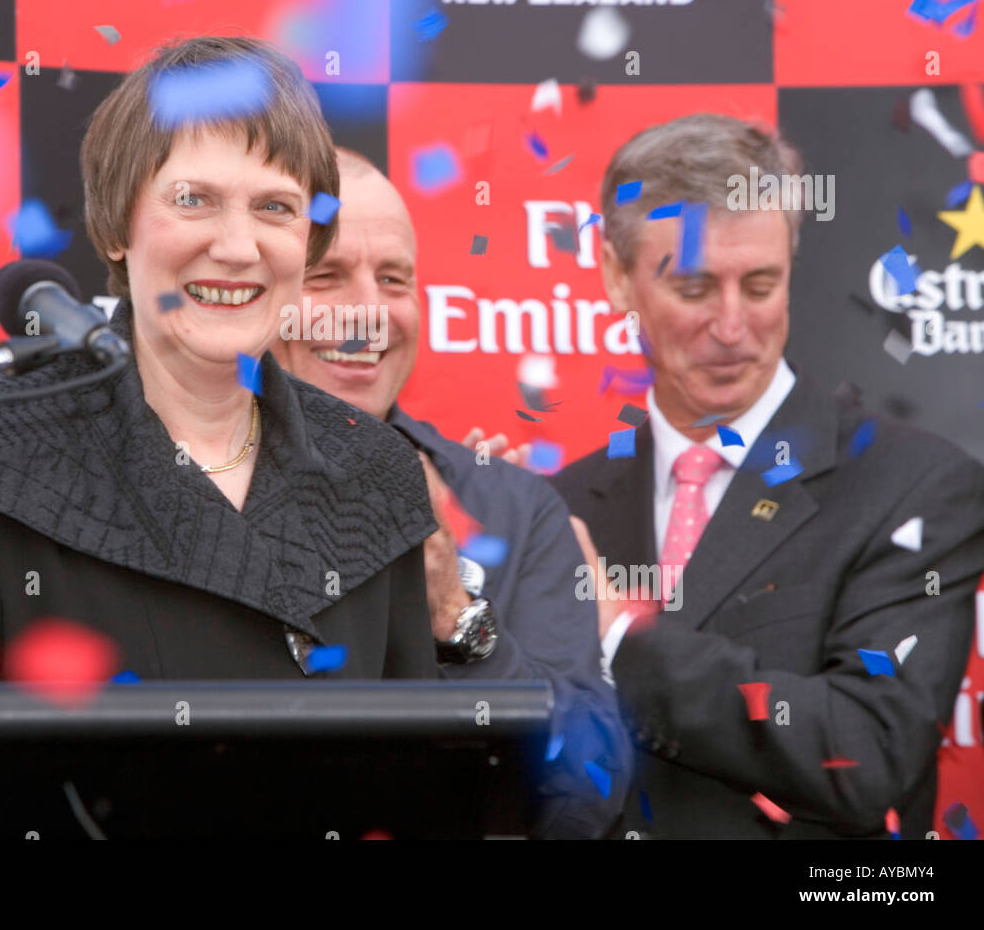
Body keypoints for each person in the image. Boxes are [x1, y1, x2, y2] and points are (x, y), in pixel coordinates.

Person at [0, 37, 440, 683]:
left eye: (275, 207)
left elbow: (418, 762)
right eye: (193, 199)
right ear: (119, 227)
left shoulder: (377, 472)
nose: (238, 247)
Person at [552, 113, 984, 839]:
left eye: (759, 284)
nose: (730, 325)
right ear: (615, 278)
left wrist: (621, 634)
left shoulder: (915, 487)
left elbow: (867, 752)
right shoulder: (560, 507)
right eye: (692, 287)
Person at [275, 148, 630, 838]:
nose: (369, 313)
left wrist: (457, 619)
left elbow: (588, 793)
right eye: (327, 276)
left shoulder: (513, 507)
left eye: (394, 279)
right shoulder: (179, 485)